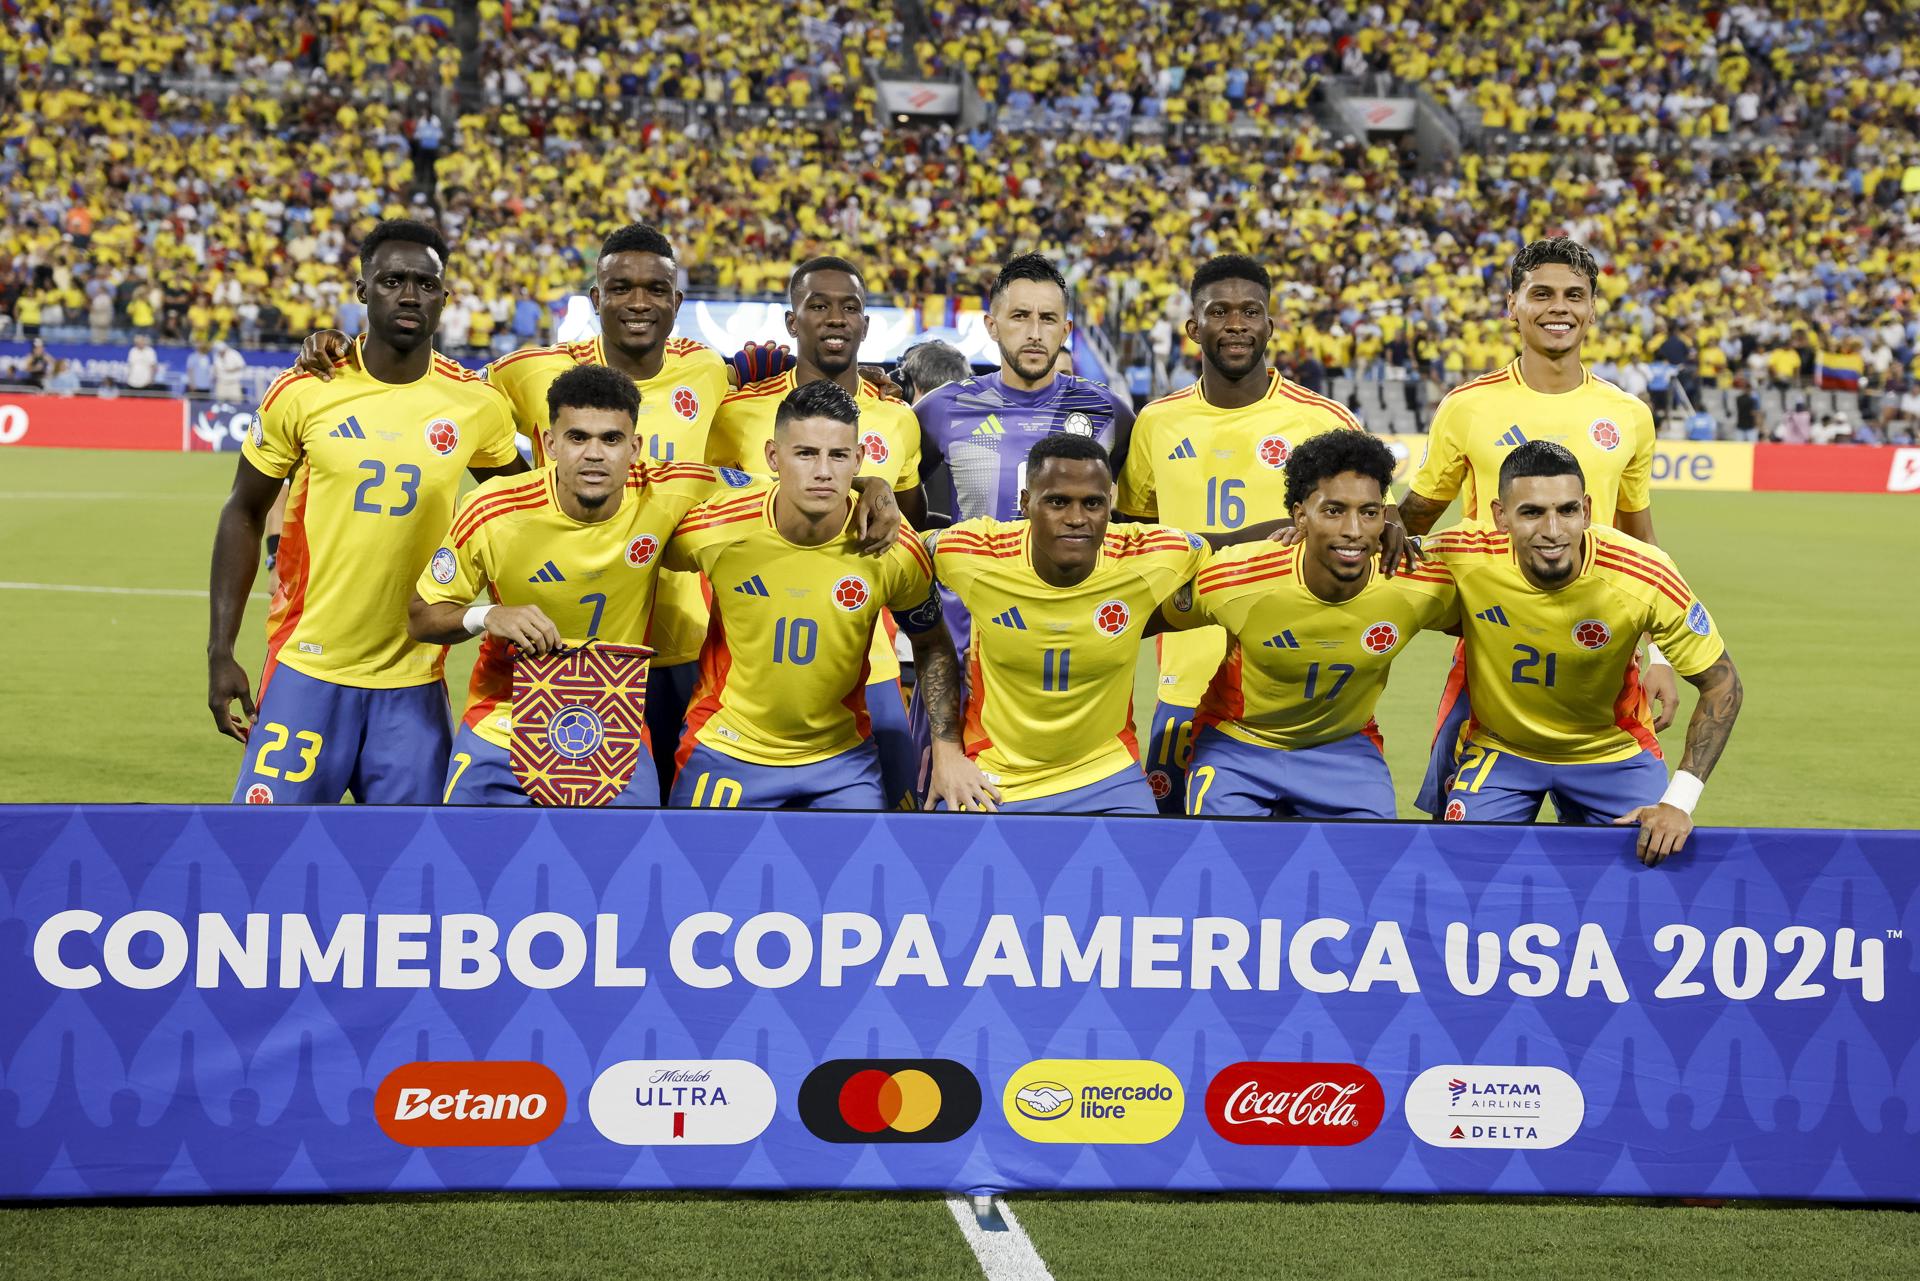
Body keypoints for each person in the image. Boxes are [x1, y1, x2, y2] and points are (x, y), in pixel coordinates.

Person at [290, 223, 737, 804]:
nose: (638, 303)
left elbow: (782, 430)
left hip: (681, 646)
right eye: (621, 288)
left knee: (665, 825)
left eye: (655, 290)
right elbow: (439, 391)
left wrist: (868, 452)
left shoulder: (708, 370)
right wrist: (346, 353)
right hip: (545, 670)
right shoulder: (530, 374)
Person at [208, 219, 526, 804]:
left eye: (426, 284)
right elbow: (243, 512)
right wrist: (219, 651)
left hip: (413, 680)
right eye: (392, 281)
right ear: (362, 291)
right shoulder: (307, 387)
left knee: (414, 871)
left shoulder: (476, 404)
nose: (410, 295)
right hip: (308, 666)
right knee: (263, 856)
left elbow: (526, 514)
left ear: (444, 299)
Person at [1396, 236, 1672, 816]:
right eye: (1540, 293)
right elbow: (1415, 519)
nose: (1558, 308)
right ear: (1512, 305)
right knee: (1467, 854)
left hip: (1600, 650)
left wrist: (1662, 658)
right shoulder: (1467, 407)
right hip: (1497, 647)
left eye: (1575, 295)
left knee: (1623, 857)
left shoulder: (1627, 415)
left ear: (1593, 309)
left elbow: (1641, 542)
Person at [1117, 253, 1381, 813]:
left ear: (1270, 325)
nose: (1235, 323)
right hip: (1184, 674)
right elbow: (1137, 542)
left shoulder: (1322, 419)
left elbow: (1371, 529)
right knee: (1184, 851)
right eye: (1219, 311)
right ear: (1194, 328)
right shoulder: (1156, 423)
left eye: (1250, 311)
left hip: (1301, 678)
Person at [408, 364, 744, 805]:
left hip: (614, 725)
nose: (594, 454)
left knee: (627, 868)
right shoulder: (492, 510)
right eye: (577, 437)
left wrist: (865, 481)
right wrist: (489, 615)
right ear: (549, 444)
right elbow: (421, 615)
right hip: (503, 724)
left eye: (611, 439)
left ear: (634, 447)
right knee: (471, 864)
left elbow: (783, 489)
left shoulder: (673, 490)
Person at [666, 381, 992, 812]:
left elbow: (932, 644)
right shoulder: (717, 527)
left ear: (858, 460)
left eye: (838, 456)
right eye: (805, 454)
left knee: (867, 875)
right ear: (772, 457)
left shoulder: (892, 547)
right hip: (727, 747)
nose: (823, 471)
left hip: (841, 760)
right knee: (694, 873)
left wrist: (948, 749)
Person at [1425, 442, 1742, 864]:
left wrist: (1680, 800)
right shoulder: (1460, 555)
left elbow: (1723, 685)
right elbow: (1370, 560)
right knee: (1461, 863)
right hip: (1503, 750)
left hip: (1612, 754)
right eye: (1532, 512)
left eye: (1567, 510)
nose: (1553, 530)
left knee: (1654, 866)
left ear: (1587, 510)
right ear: (1500, 515)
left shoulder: (1643, 573)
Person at [706, 256, 926, 807]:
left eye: (849, 307)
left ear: (866, 325)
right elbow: (713, 508)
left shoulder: (898, 418)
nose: (835, 319)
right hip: (751, 665)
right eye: (818, 305)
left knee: (886, 835)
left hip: (866, 659)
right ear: (790, 322)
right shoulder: (735, 413)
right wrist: (865, 480)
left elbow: (906, 527)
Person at [1159, 431, 1457, 818]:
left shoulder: (1419, 585)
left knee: (1372, 868)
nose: (1353, 530)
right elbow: (1143, 620)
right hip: (1239, 746)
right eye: (1334, 511)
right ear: (1300, 516)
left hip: (1344, 749)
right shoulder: (1238, 579)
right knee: (1220, 867)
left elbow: (1488, 625)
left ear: (1385, 518)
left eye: (1368, 512)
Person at [930, 433, 1206, 814]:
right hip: (995, 777)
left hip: (1108, 774)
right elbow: (898, 545)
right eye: (1057, 502)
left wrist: (1297, 537)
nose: (1076, 519)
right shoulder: (974, 552)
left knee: (1144, 866)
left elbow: (1225, 550)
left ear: (1110, 504)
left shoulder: (1154, 554)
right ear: (1026, 503)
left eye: (1092, 503)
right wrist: (872, 488)